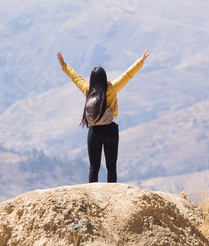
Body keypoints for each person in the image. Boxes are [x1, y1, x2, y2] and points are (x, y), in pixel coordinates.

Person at [57, 50, 149, 183]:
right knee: (111, 167)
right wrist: (140, 62)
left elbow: (75, 77)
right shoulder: (112, 88)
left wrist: (63, 64)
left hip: (94, 132)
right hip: (110, 130)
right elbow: (127, 75)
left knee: (94, 167)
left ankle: (92, 198)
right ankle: (112, 197)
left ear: (92, 79)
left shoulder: (88, 90)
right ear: (105, 77)